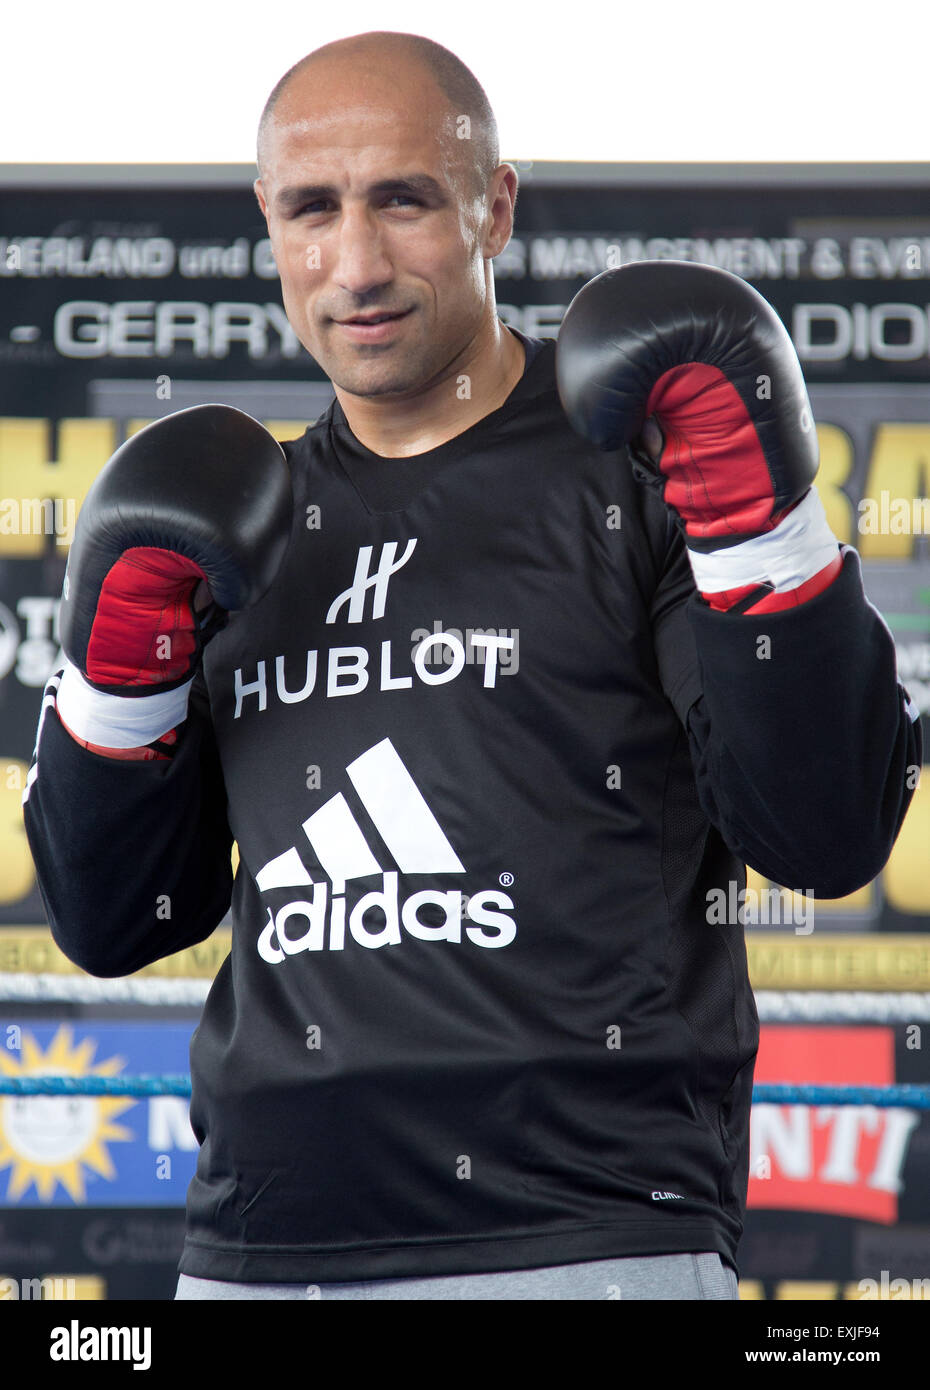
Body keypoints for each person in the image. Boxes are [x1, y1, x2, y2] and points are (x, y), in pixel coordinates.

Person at [22, 31, 921, 1302]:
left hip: (587, 1235)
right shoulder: (230, 527)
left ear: (494, 205)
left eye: (403, 198)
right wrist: (114, 684)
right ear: (269, 226)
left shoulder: (639, 473)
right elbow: (120, 921)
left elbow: (824, 835)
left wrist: (761, 532)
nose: (357, 264)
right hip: (259, 1245)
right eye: (312, 209)